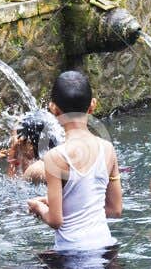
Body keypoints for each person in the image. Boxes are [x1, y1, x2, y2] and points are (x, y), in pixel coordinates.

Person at [27, 71, 122, 253]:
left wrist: (39, 207)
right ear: (92, 105)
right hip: (105, 244)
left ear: (54, 109)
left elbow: (55, 220)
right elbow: (115, 209)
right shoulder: (107, 149)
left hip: (72, 251)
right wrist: (54, 202)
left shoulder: (55, 157)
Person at [7, 111, 60, 184]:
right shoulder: (57, 158)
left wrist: (13, 153)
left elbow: (12, 185)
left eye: (21, 142)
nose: (19, 145)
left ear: (28, 142)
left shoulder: (36, 170)